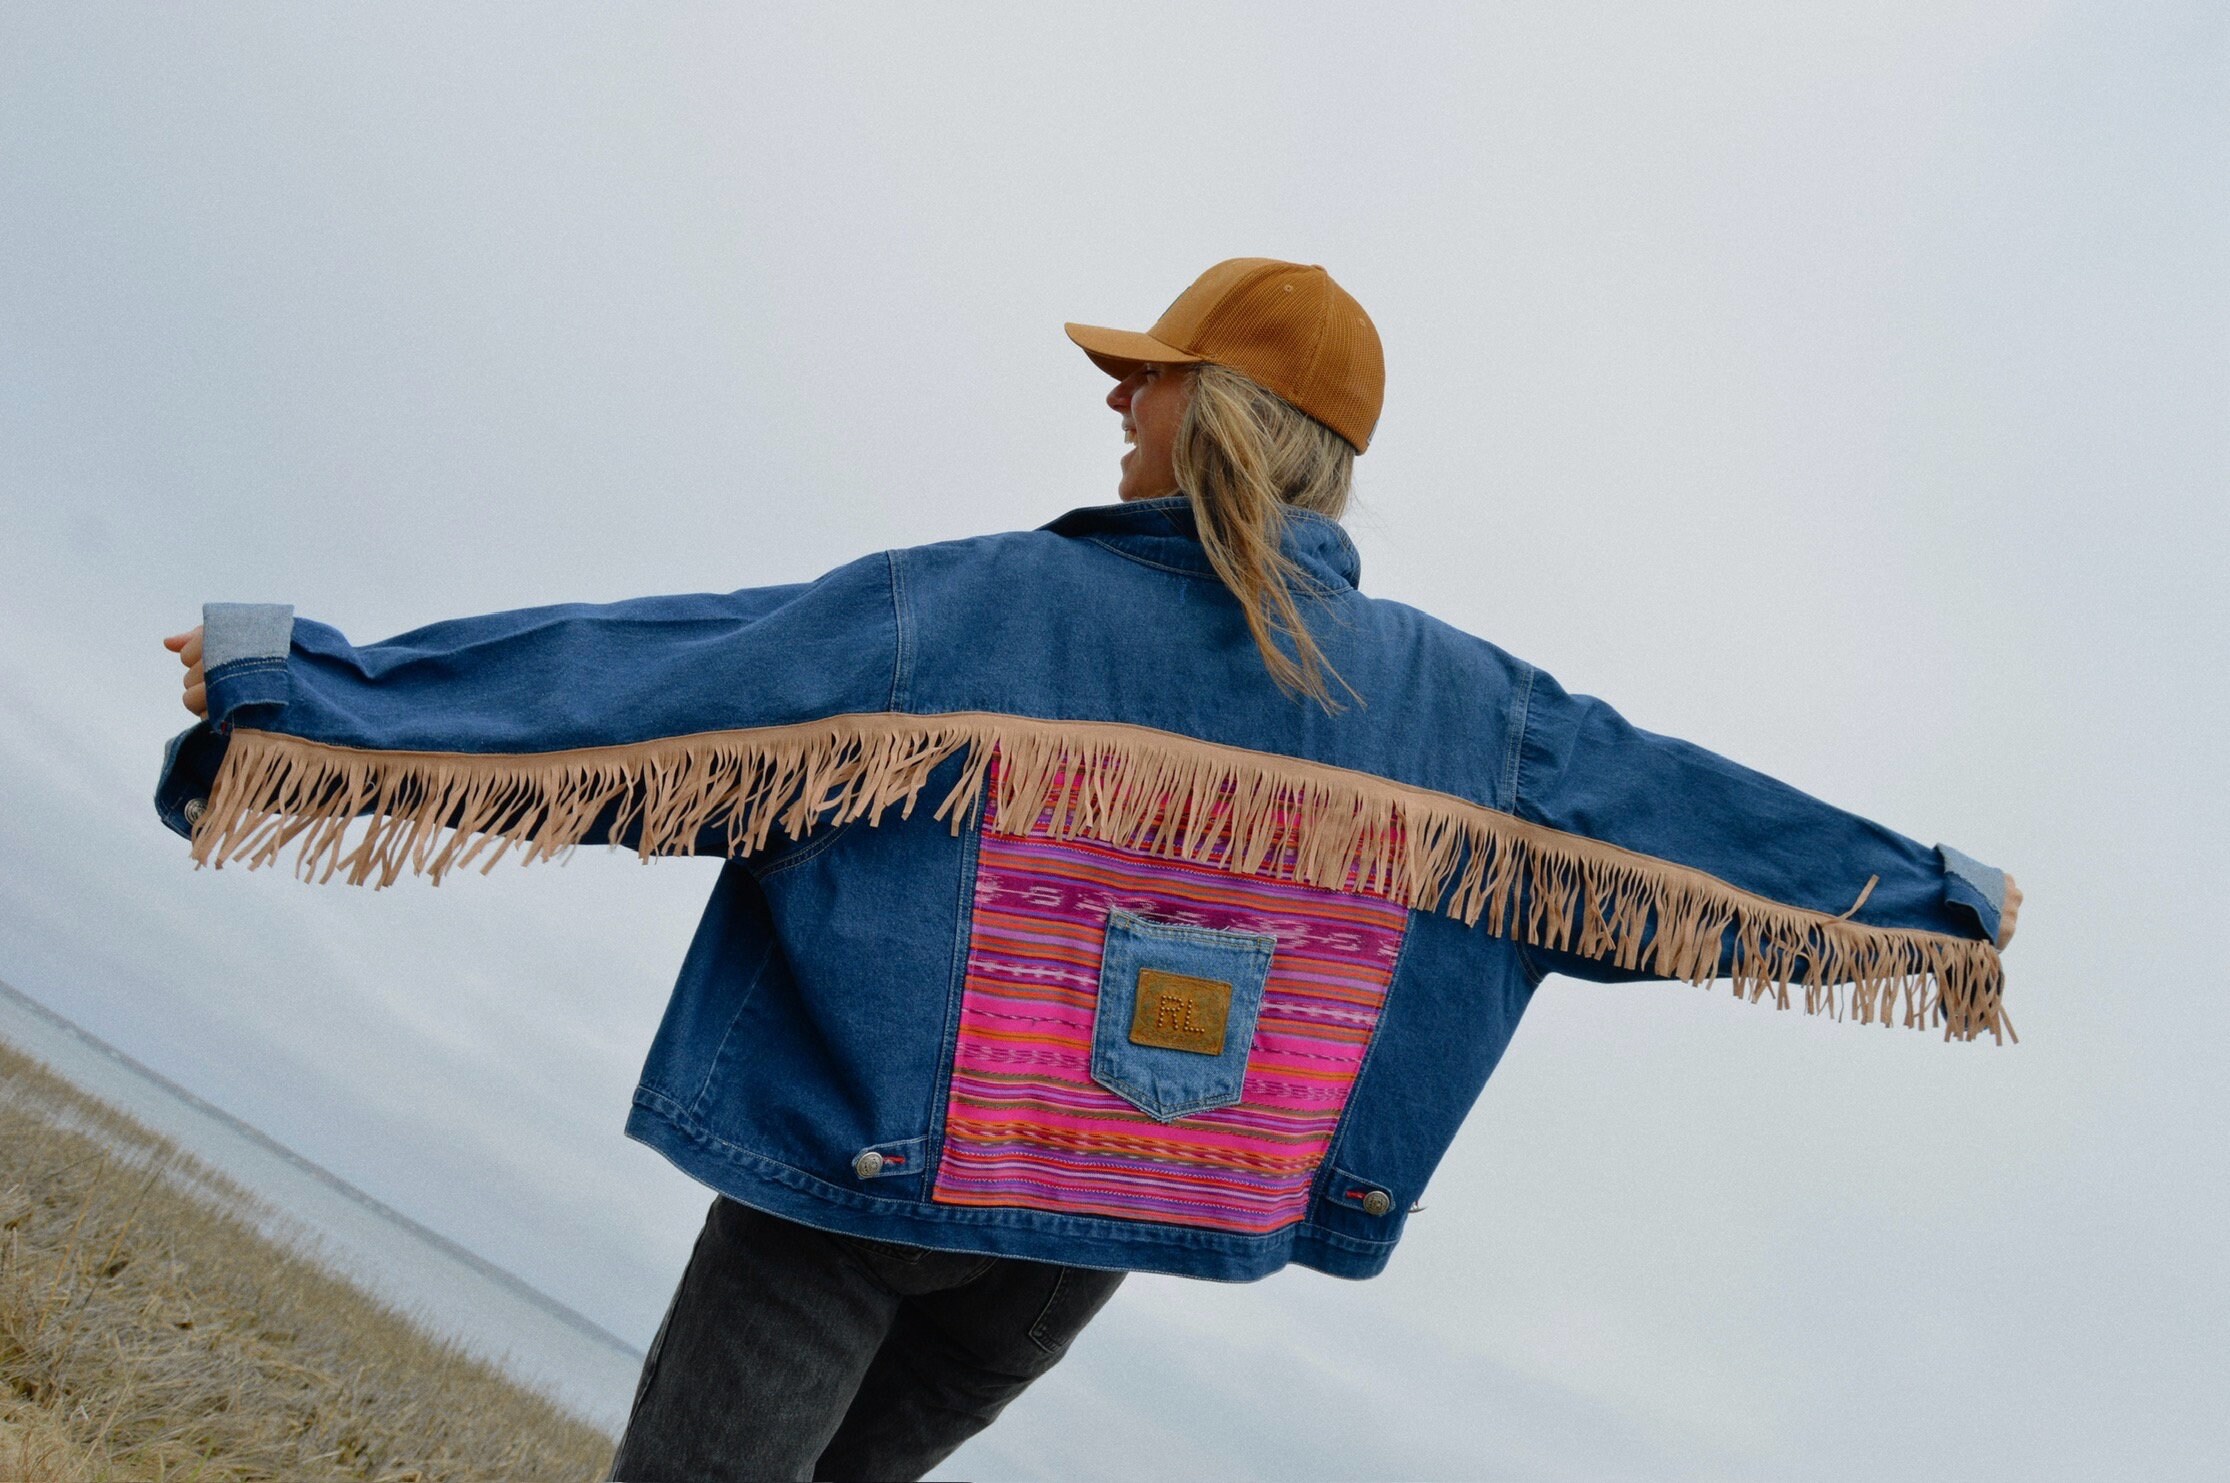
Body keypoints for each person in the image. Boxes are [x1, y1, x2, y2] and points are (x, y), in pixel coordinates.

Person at [158, 257, 2021, 1482]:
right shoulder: (1470, 713)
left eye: (1142, 384)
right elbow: (1685, 824)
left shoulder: (984, 608)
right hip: (1098, 1230)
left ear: (1207, 411)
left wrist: (298, 688)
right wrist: (1927, 901)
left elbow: (664, 691)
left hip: (857, 1196)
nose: (1109, 409)